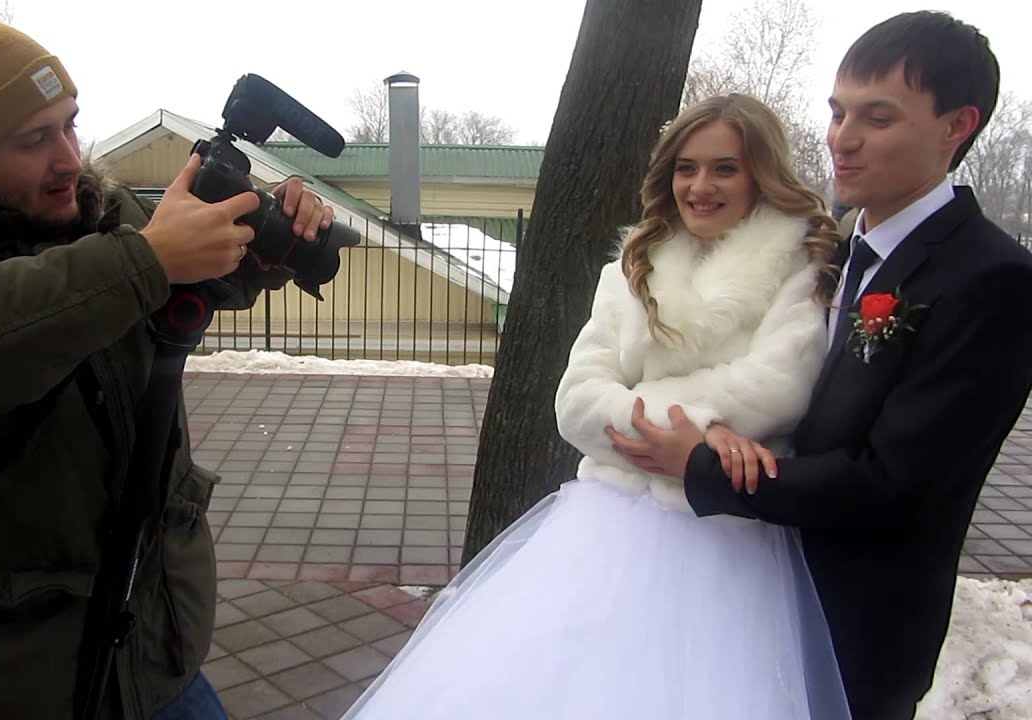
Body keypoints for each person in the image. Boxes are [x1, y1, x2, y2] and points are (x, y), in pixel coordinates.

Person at [0, 3, 334, 719]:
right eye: (33, 138)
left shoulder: (92, 215)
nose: (66, 157)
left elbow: (172, 277)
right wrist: (146, 257)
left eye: (69, 123)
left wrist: (268, 235)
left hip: (148, 653)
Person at [342, 93, 850, 719]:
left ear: (762, 172)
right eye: (686, 167)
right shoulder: (631, 269)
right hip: (603, 533)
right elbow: (576, 403)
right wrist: (697, 429)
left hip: (724, 540)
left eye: (725, 168)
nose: (700, 185)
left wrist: (652, 421)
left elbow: (778, 385)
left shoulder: (799, 266)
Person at [610, 12, 1032, 720]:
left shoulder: (992, 279)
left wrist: (700, 463)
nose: (843, 139)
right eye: (836, 113)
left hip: (854, 622)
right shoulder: (826, 248)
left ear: (957, 126)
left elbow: (892, 484)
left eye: (877, 117)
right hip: (748, 587)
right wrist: (717, 426)